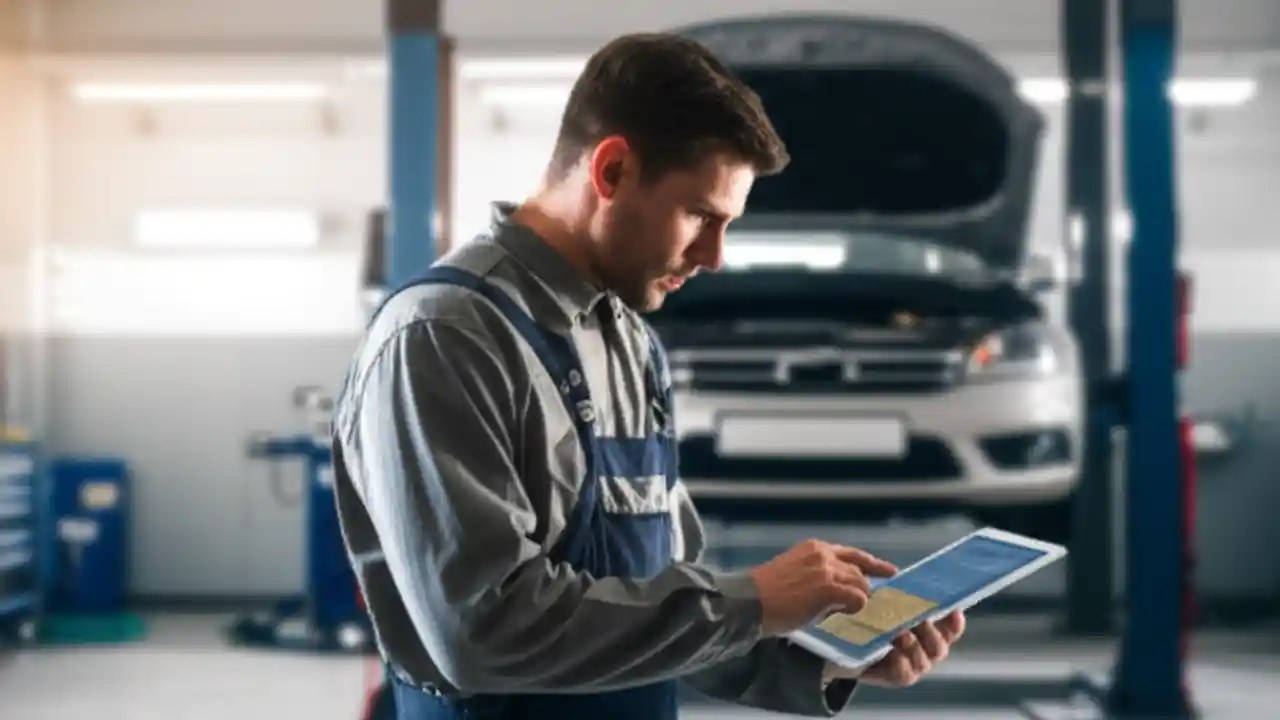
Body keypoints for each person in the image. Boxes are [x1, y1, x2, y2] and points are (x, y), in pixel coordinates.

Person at [331, 31, 966, 720]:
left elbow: (665, 605)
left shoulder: (631, 341)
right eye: (701, 215)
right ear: (611, 172)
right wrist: (754, 599)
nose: (715, 257)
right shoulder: (444, 336)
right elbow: (478, 632)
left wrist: (831, 652)